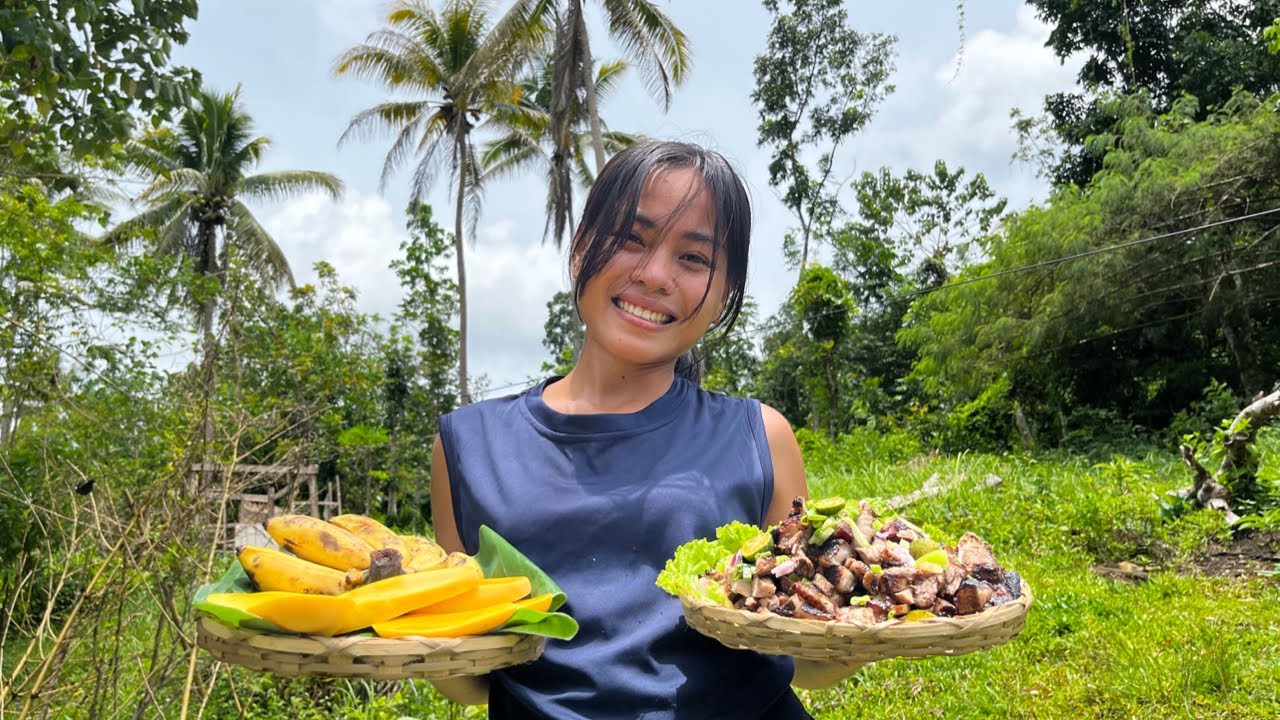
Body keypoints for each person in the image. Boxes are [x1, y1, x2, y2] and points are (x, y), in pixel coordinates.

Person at [429, 140, 862, 719]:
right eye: (632, 239)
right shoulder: (468, 445)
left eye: (694, 258)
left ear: (724, 295)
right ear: (581, 249)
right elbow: (466, 672)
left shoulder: (760, 436)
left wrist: (865, 632)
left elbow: (803, 656)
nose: (655, 275)